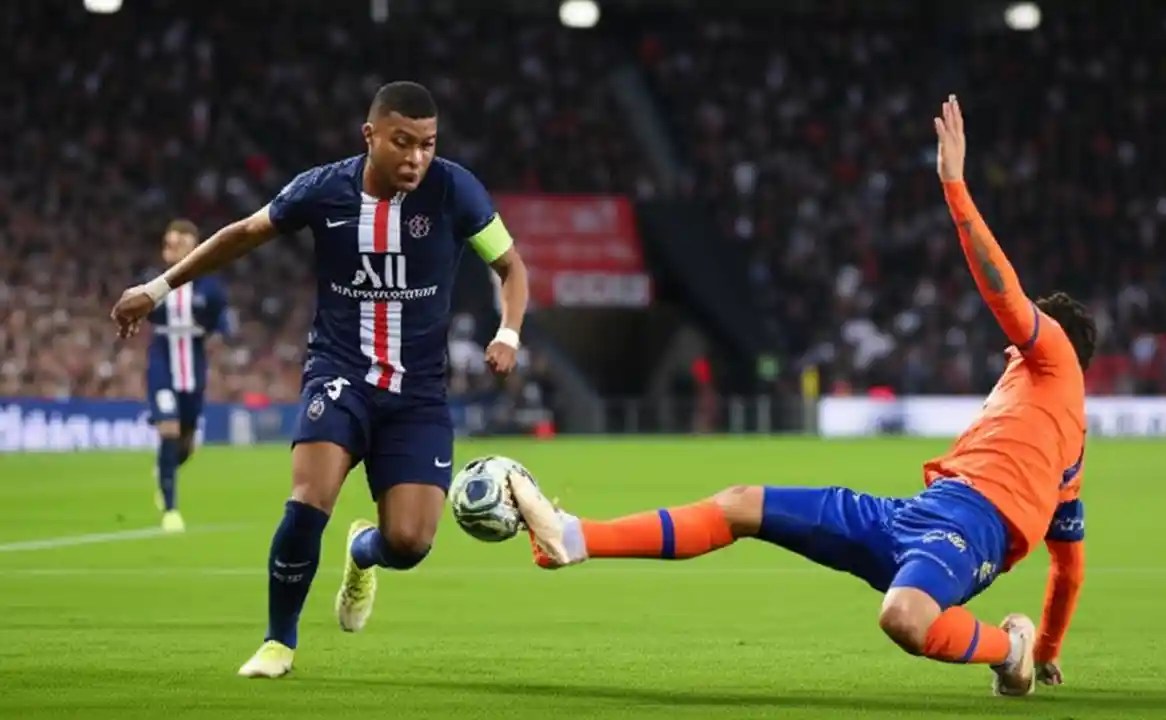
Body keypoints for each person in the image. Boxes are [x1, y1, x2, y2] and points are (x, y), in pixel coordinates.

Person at [515, 96, 1095, 697]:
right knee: (742, 503)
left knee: (905, 618)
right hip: (917, 514)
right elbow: (1068, 564)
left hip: (970, 532)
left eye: (1022, 339)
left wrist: (955, 187)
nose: (1010, 347)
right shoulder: (1064, 443)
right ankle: (574, 537)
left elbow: (1004, 293)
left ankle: (1009, 649)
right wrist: (1055, 650)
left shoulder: (1051, 358)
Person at [111, 81, 532, 679]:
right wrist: (157, 290)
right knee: (309, 500)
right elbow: (241, 235)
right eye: (402, 142)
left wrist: (508, 332)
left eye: (428, 145)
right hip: (341, 374)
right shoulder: (323, 189)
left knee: (409, 544)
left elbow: (510, 267)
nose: (416, 158)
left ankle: (363, 553)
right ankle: (278, 642)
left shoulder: (454, 189)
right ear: (371, 136)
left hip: (417, 395)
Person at [144, 219, 229, 533]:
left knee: (188, 444)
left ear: (194, 246)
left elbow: (222, 320)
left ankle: (165, 469)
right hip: (162, 363)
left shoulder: (209, 286)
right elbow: (138, 305)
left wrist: (222, 334)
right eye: (168, 244)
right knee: (168, 428)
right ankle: (170, 509)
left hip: (193, 366)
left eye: (179, 243)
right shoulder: (152, 281)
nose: (172, 249)